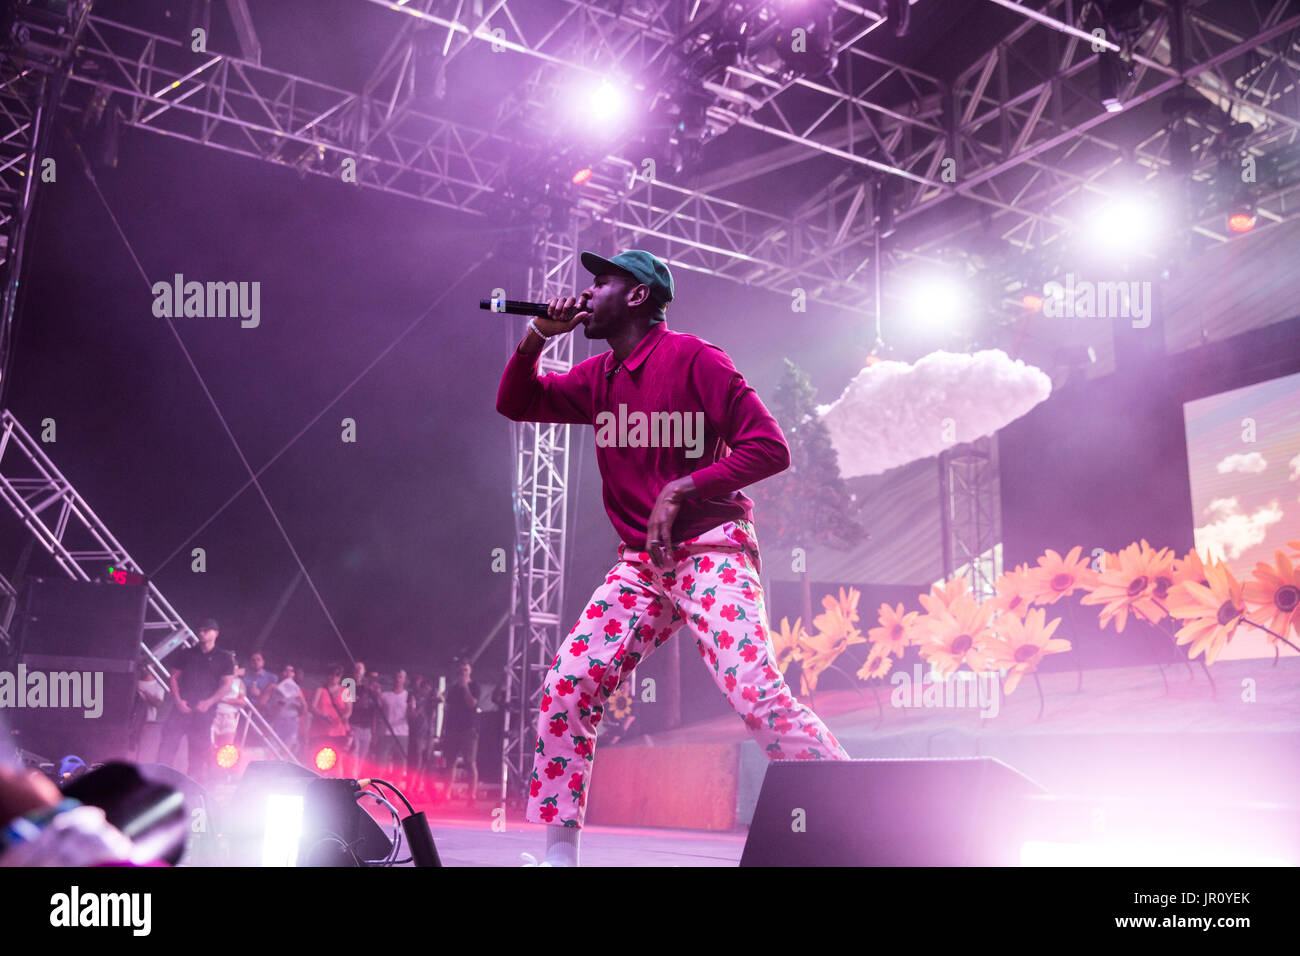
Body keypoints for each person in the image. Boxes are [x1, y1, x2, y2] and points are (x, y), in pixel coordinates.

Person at [496, 249, 849, 866]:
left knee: (753, 690)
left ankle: (865, 813)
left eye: (599, 281)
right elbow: (516, 402)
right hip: (642, 564)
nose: (586, 293)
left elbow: (770, 447)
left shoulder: (696, 359)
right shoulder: (597, 377)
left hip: (712, 549)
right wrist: (535, 338)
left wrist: (683, 487)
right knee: (568, 686)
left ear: (636, 296)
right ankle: (558, 858)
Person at [157, 619, 234, 783]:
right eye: (200, 630)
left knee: (198, 752)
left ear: (216, 633)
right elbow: (173, 678)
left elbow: (227, 684)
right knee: (168, 745)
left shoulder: (224, 657)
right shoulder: (187, 654)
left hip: (204, 711)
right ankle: (159, 782)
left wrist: (209, 702)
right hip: (182, 707)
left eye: (206, 630)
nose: (202, 633)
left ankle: (192, 786)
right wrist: (177, 700)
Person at [439, 658, 480, 807]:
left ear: (470, 671)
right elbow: (447, 710)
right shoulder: (452, 688)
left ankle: (472, 795)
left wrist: (465, 687)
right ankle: (446, 793)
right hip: (452, 729)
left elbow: (472, 703)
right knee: (450, 763)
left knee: (470, 762)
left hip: (469, 730)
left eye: (465, 670)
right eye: (461, 670)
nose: (463, 673)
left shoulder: (474, 686)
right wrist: (443, 730)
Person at [261, 663, 308, 758]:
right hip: (275, 721)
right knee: (272, 752)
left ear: (293, 674)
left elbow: (303, 712)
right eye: (285, 670)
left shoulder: (297, 690)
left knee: (286, 753)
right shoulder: (272, 687)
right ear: (280, 673)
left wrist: (302, 702)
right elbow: (260, 704)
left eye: (291, 671)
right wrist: (273, 707)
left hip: (291, 723)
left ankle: (282, 771)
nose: (288, 673)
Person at [310, 664, 353, 759]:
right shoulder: (320, 690)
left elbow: (349, 709)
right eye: (331, 674)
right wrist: (323, 716)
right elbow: (312, 707)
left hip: (338, 730)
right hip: (320, 730)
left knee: (337, 759)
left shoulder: (345, 691)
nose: (334, 677)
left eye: (337, 675)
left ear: (340, 677)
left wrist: (344, 717)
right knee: (319, 758)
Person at [211, 656, 248, 751]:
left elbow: (242, 701)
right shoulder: (216, 680)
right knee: (210, 744)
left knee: (226, 747)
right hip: (214, 714)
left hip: (229, 715)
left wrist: (223, 699)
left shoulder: (239, 683)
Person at [379, 670, 410, 779]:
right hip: (386, 733)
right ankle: (378, 786)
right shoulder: (385, 695)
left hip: (402, 734)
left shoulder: (408, 696)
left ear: (404, 680)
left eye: (400, 677)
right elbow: (377, 714)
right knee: (381, 762)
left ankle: (396, 790)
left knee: (400, 763)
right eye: (396, 677)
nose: (398, 679)